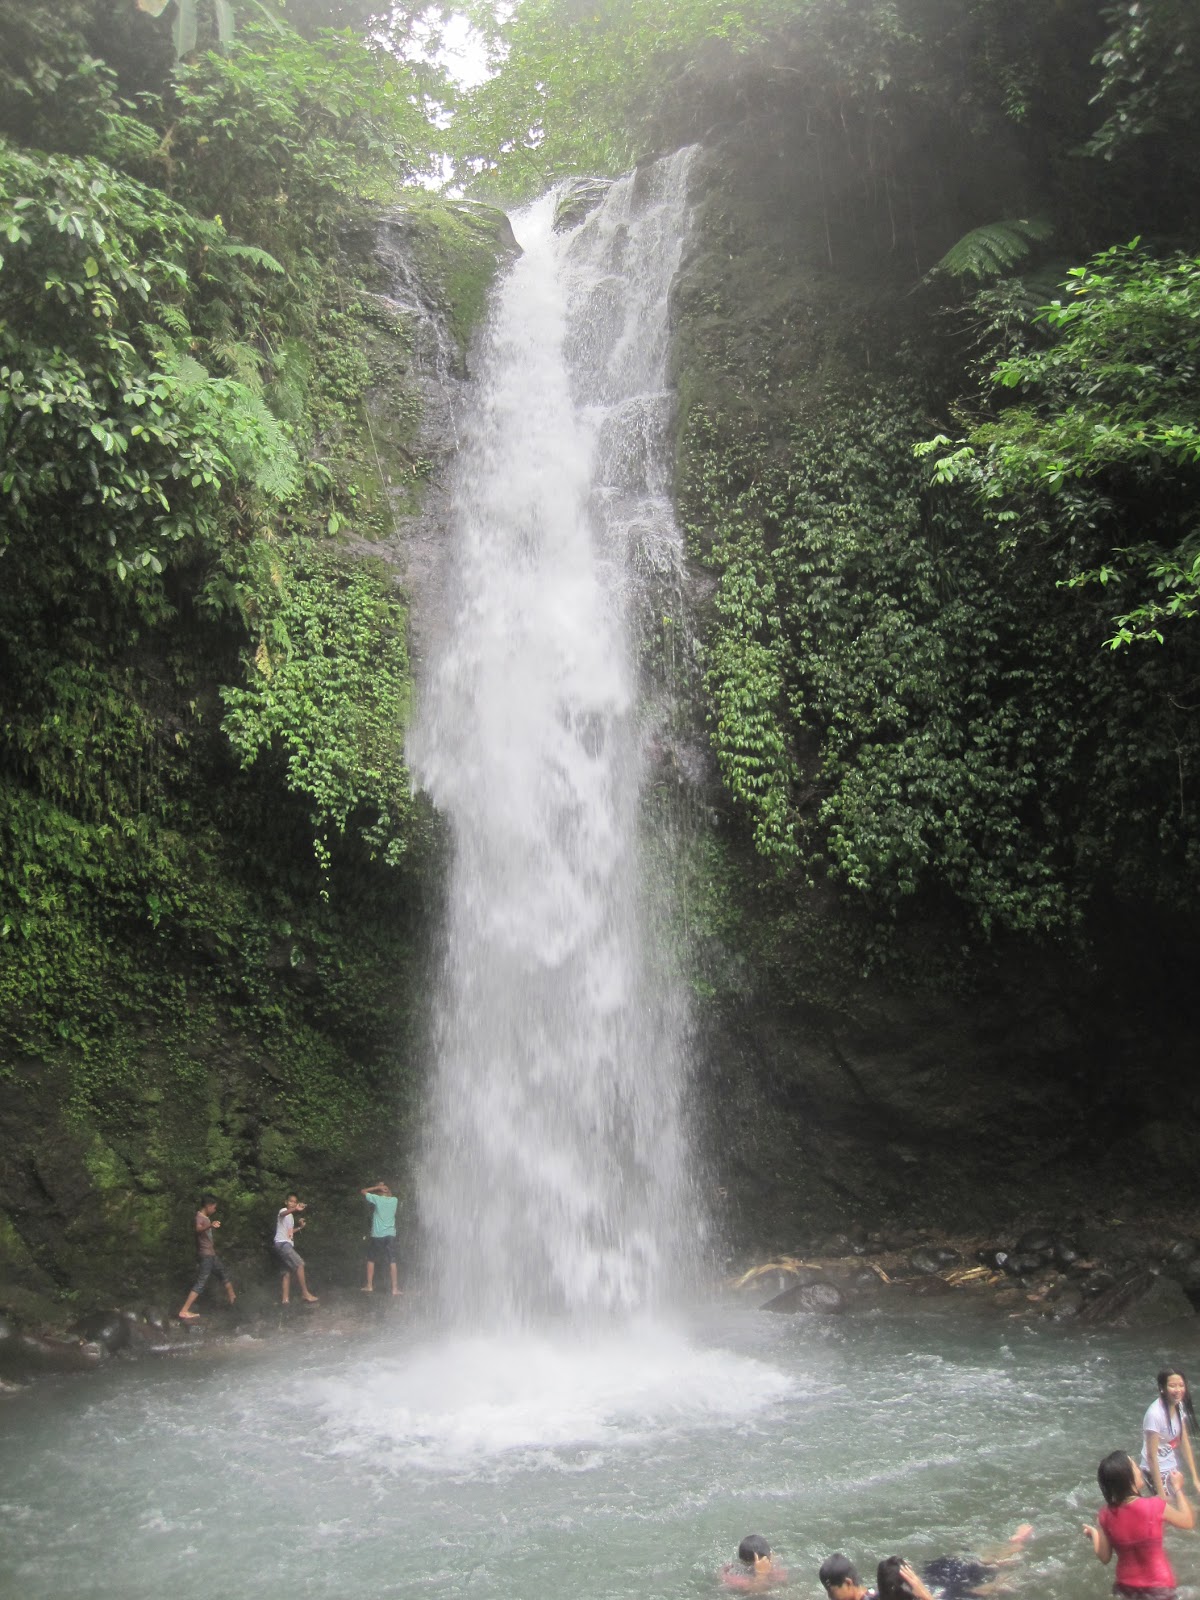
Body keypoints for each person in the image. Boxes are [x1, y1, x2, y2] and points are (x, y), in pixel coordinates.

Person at [1083, 1451, 1194, 1597]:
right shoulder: (1155, 1505)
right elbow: (1188, 1521)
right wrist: (1178, 1488)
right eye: (1135, 1467)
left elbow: (1104, 1557)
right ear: (1127, 1478)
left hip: (1125, 1590)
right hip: (1159, 1589)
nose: (1139, 1470)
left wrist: (1095, 1534)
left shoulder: (1104, 1515)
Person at [1142, 1370, 1200, 1501]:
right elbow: (1151, 1457)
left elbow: (1183, 1440)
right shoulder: (1155, 1415)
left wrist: (1195, 1477)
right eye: (1173, 1386)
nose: (1178, 1390)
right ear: (1162, 1388)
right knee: (1170, 1512)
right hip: (1153, 1470)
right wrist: (1162, 1494)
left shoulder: (1179, 1405)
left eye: (1181, 1385)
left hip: (1170, 1464)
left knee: (1184, 1508)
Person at [177, 1196, 236, 1321]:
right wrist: (210, 1226)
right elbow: (198, 1229)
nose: (215, 1210)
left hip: (211, 1254)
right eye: (214, 1207)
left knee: (223, 1273)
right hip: (206, 1255)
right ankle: (184, 1310)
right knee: (201, 1282)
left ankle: (233, 1298)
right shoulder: (199, 1217)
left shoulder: (205, 1218)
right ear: (208, 1206)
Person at [274, 1194, 318, 1305]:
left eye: (295, 1202)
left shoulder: (291, 1217)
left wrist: (300, 1227)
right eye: (291, 1201)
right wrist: (295, 1209)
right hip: (283, 1244)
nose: (293, 1203)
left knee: (286, 1272)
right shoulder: (283, 1211)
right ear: (286, 1202)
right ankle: (305, 1293)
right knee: (300, 1264)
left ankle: (285, 1300)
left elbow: (289, 1232)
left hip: (282, 1244)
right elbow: (283, 1213)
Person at [360, 1181, 400, 1295]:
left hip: (377, 1234)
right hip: (390, 1234)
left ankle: (369, 1285)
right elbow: (389, 1194)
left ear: (379, 1192)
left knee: (371, 1258)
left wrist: (377, 1187)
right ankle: (395, 1289)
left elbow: (363, 1191)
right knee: (392, 1260)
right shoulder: (394, 1200)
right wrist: (384, 1188)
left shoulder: (377, 1199)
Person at [722, 1534, 788, 1590]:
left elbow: (783, 1580)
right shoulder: (736, 1577)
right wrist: (761, 1574)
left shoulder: (774, 1566)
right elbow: (756, 1591)